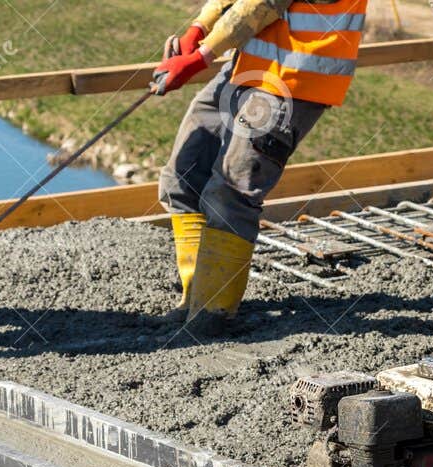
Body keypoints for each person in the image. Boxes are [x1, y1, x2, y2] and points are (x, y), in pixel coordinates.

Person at [153, 0, 367, 324]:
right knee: (182, 176)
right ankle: (193, 301)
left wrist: (200, 56)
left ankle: (212, 317)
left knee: (230, 192)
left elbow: (263, 3)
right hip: (250, 63)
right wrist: (200, 27)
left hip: (294, 76)